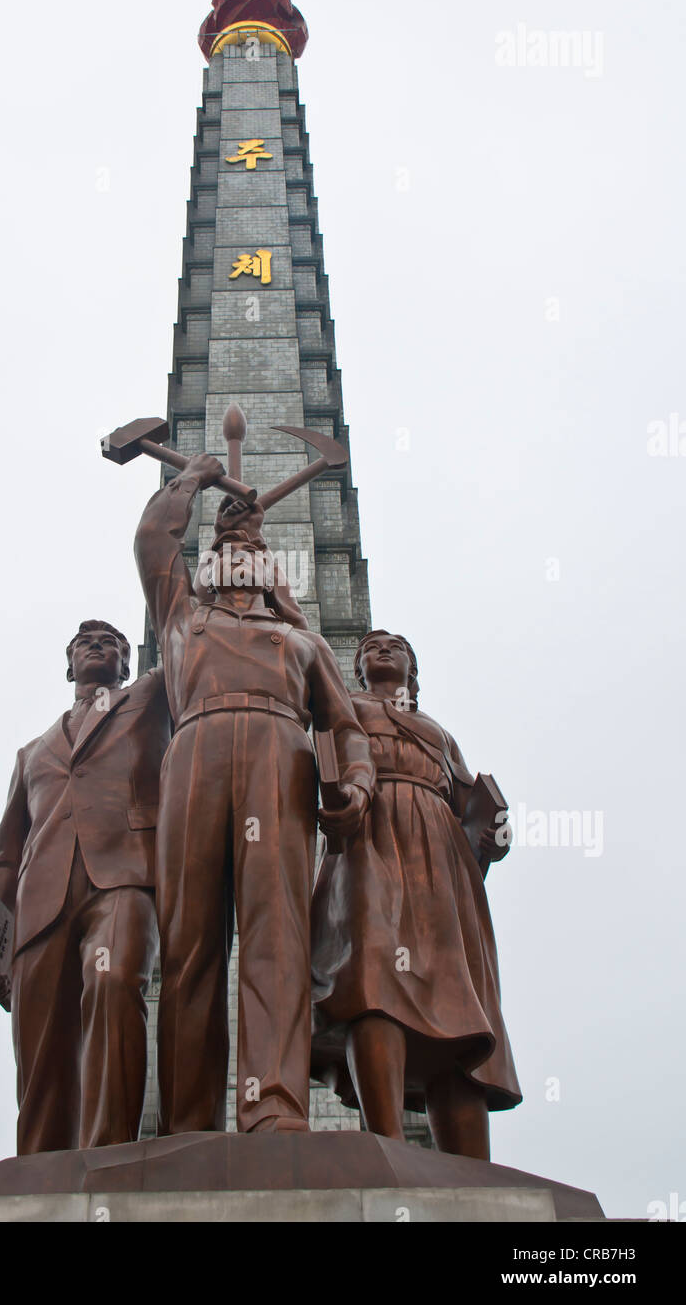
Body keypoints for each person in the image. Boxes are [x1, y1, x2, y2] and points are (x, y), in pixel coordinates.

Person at [135, 460, 374, 1134]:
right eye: (227, 551)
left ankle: (272, 1103)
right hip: (195, 756)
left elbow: (342, 726)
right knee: (189, 941)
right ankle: (186, 1119)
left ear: (271, 571)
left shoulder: (302, 641)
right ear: (208, 564)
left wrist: (355, 781)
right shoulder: (178, 616)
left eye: (253, 553)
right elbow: (153, 540)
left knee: (277, 937)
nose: (240, 560)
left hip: (280, 756)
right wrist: (192, 482)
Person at [311, 629, 521, 1158]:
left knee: (457, 996)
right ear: (356, 669)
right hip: (369, 837)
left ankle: (471, 1166)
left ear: (413, 668)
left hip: (439, 856)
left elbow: (470, 798)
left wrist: (493, 829)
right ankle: (384, 1142)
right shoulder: (343, 707)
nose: (383, 650)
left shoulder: (438, 732)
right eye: (371, 647)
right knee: (371, 972)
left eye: (396, 646)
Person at [0, 620, 170, 1153]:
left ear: (129, 663)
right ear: (69, 664)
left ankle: (110, 1153)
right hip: (43, 898)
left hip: (123, 877)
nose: (97, 647)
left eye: (111, 643)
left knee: (114, 982)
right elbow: (5, 853)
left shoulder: (149, 700)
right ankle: (41, 1166)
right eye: (85, 643)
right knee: (40, 1036)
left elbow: (181, 630)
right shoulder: (31, 753)